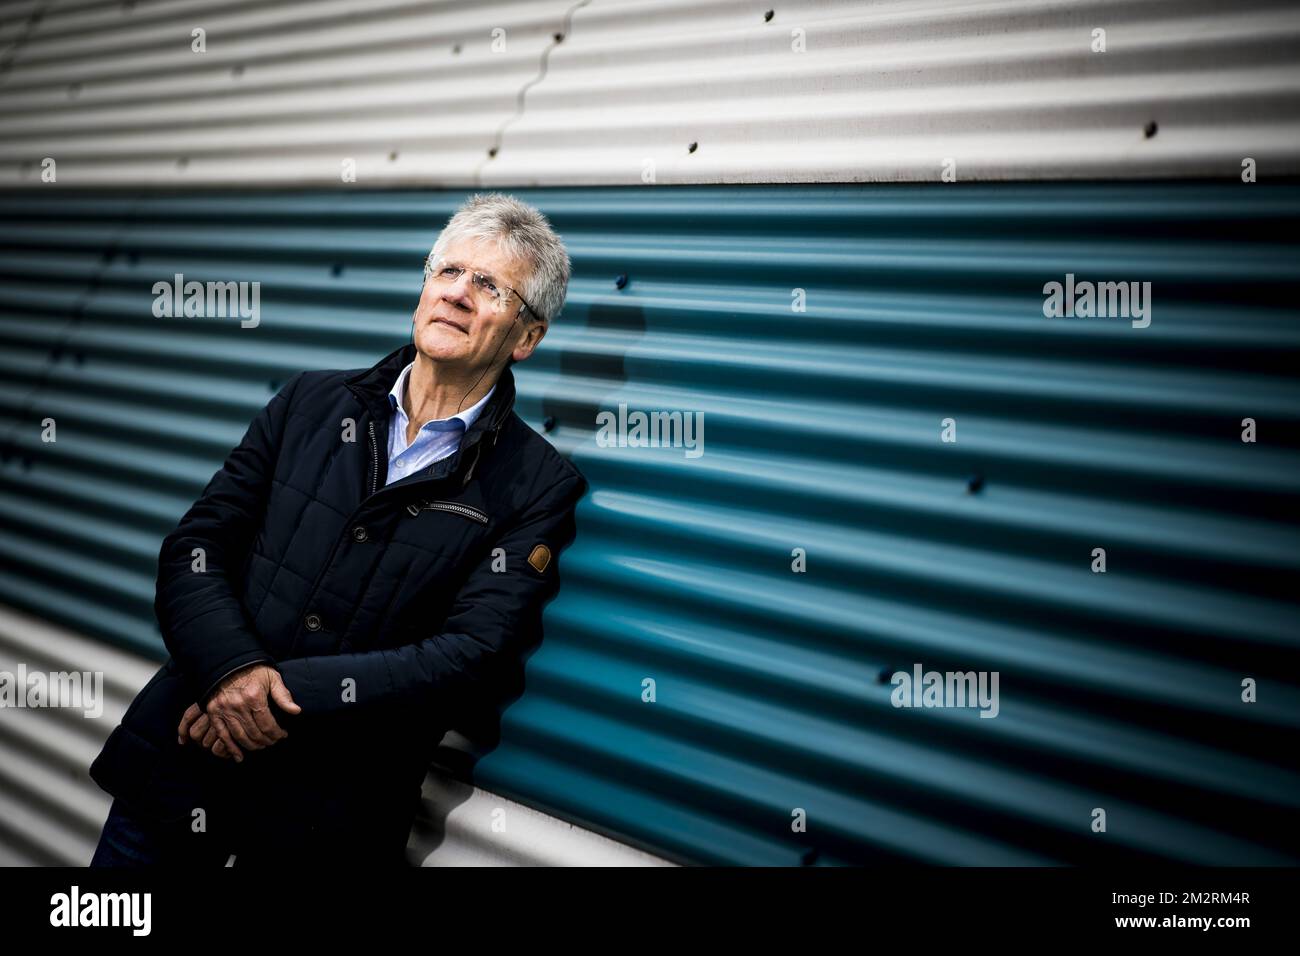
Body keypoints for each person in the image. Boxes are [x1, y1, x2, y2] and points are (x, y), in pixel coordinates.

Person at [88, 192, 586, 866]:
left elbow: (470, 654)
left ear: (527, 337)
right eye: (448, 272)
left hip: (323, 821)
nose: (459, 295)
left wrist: (264, 698)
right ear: (423, 289)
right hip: (181, 770)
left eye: (491, 286)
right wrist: (230, 670)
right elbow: (196, 549)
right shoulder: (309, 403)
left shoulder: (535, 484)